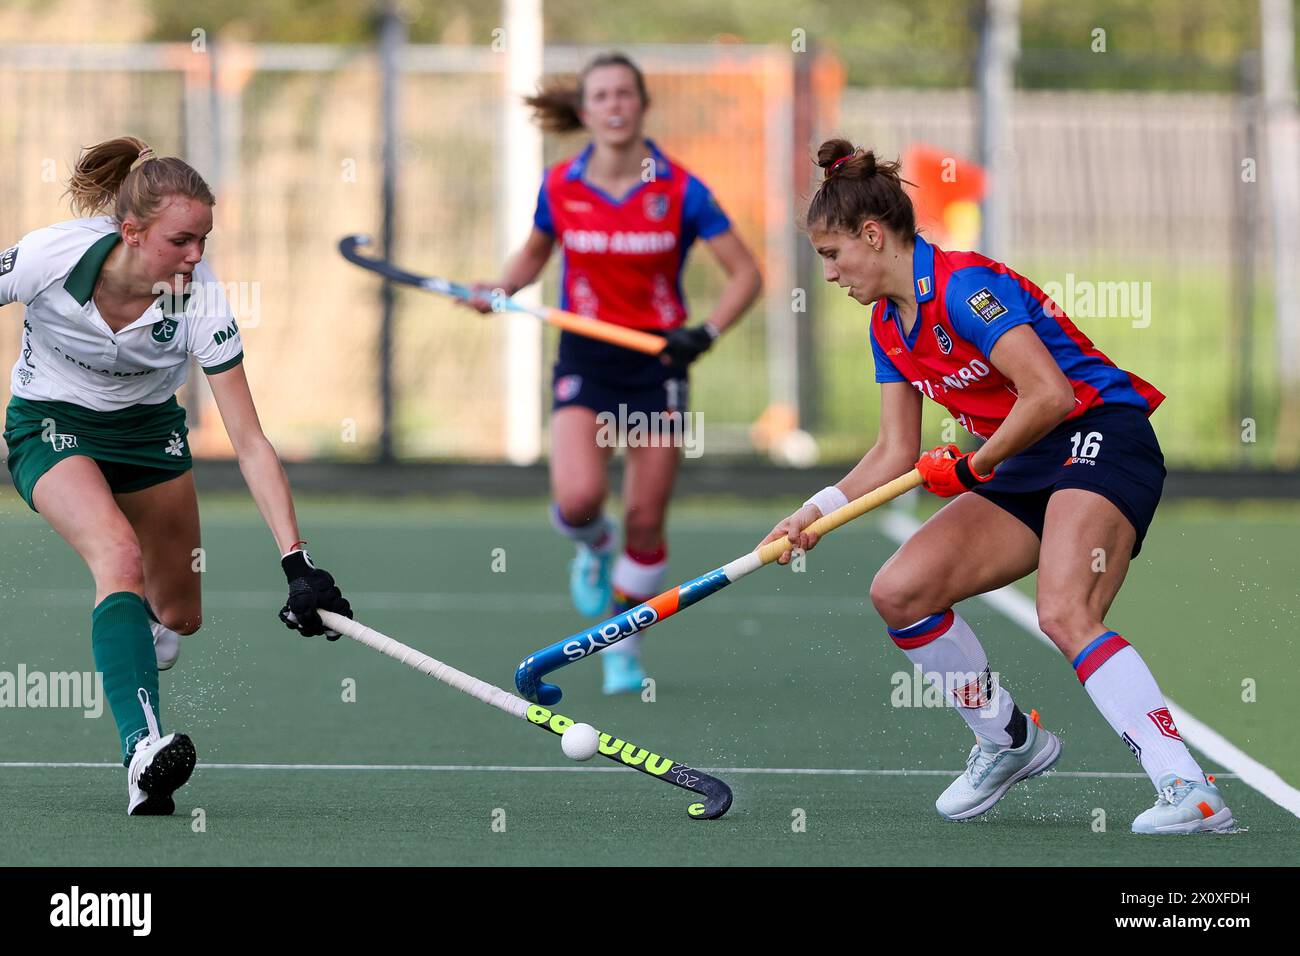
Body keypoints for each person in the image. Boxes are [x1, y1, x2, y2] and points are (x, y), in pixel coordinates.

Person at [760, 140, 1234, 834]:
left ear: (871, 235)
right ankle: (1008, 738)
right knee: (901, 591)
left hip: (1098, 435)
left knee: (1065, 610)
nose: (829, 274)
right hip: (1026, 462)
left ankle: (1188, 788)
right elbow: (895, 450)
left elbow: (1049, 394)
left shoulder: (961, 288)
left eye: (832, 256)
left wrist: (975, 467)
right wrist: (815, 513)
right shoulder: (888, 326)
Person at [0, 136, 353, 815]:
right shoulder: (52, 255)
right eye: (181, 241)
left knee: (181, 617)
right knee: (117, 555)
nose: (197, 257)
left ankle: (143, 630)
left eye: (204, 241)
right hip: (48, 423)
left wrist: (296, 562)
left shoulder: (202, 300)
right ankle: (141, 751)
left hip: (148, 435)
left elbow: (249, 442)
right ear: (129, 232)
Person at [469, 53, 761, 694]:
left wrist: (704, 334)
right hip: (585, 357)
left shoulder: (680, 188)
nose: (614, 106)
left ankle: (622, 644)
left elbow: (747, 274)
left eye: (625, 94)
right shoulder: (561, 185)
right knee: (577, 501)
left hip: (658, 365)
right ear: (585, 110)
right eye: (601, 95)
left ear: (642, 104)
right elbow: (535, 252)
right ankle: (593, 546)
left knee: (647, 518)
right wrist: (499, 288)